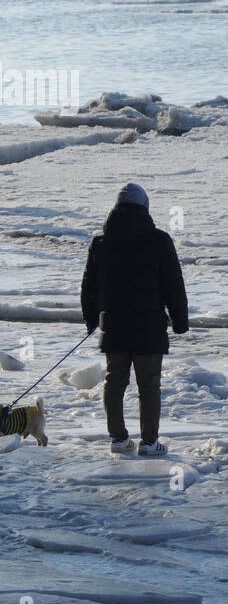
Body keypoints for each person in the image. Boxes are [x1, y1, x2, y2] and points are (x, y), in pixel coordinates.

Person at [81, 183, 189, 456]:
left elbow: (89, 286)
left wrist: (92, 320)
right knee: (149, 385)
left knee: (114, 382)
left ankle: (118, 439)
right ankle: (150, 443)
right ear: (145, 208)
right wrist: (180, 321)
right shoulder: (159, 241)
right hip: (149, 327)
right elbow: (173, 284)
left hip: (114, 325)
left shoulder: (101, 243)